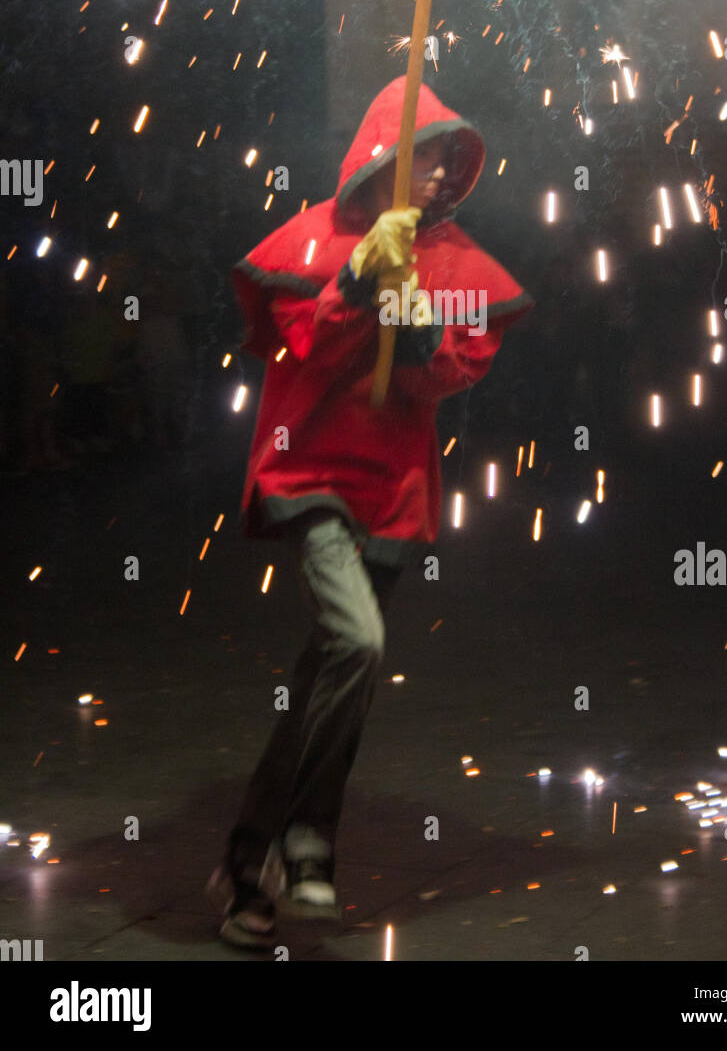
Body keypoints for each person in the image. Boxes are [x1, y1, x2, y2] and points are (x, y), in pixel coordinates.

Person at [205, 75, 534, 948]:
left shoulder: (459, 258)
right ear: (382, 158)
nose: (437, 176)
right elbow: (302, 343)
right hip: (308, 468)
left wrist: (418, 319)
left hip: (390, 488)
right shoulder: (310, 239)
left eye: (446, 161)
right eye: (423, 156)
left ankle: (251, 859)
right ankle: (310, 842)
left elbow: (454, 370)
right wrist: (357, 276)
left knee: (325, 678)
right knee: (358, 642)